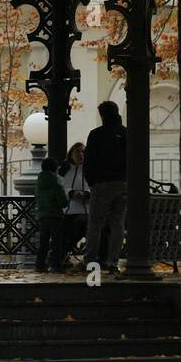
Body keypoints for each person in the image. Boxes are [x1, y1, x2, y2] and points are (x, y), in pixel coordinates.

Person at [83, 100, 127, 277]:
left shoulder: (96, 134)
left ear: (102, 115)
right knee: (117, 224)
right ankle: (113, 261)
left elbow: (89, 162)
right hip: (123, 183)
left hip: (101, 183)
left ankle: (91, 261)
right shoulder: (126, 133)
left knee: (95, 224)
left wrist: (92, 181)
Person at [34, 156, 69, 273]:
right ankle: (56, 265)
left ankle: (40, 264)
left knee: (43, 242)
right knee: (56, 242)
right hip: (55, 216)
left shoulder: (38, 183)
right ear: (55, 168)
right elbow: (63, 201)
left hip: (42, 216)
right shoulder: (56, 182)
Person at [60, 142, 89, 264]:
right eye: (78, 152)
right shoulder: (64, 170)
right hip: (68, 210)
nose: (81, 155)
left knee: (81, 224)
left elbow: (95, 186)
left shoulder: (90, 170)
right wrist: (71, 192)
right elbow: (60, 186)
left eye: (83, 152)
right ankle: (63, 253)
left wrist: (87, 193)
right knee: (64, 230)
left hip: (87, 210)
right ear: (71, 154)